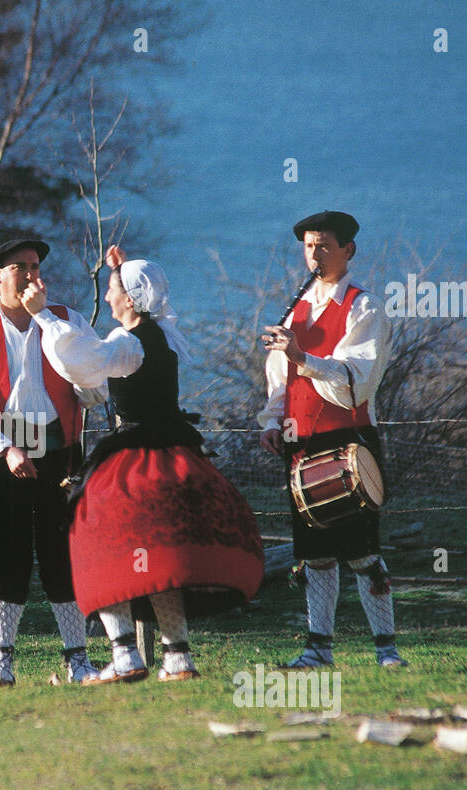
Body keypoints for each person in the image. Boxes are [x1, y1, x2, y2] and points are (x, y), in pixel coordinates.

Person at [37, 245, 264, 683]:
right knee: (158, 556)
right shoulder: (162, 336)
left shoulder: (129, 343)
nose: (107, 298)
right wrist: (119, 269)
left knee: (97, 542)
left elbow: (82, 362)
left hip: (134, 462)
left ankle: (125, 653)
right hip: (174, 453)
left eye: (112, 291)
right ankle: (177, 656)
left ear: (131, 300)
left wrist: (45, 315)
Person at [0, 238, 106, 687]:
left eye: (36, 266)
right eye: (21, 267)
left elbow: (95, 382)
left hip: (59, 452)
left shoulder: (65, 320)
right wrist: (4, 448)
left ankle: (78, 659)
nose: (32, 275)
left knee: (64, 554)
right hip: (1, 453)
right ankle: (2, 663)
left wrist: (88, 381)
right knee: (3, 557)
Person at [259, 210, 406, 668]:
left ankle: (387, 650)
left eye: (323, 245)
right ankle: (317, 648)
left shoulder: (365, 307)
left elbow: (356, 382)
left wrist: (303, 356)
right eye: (307, 246)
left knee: (363, 551)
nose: (314, 254)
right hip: (300, 442)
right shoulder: (295, 307)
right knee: (316, 554)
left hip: (350, 438)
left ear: (348, 250)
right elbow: (277, 374)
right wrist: (270, 418)